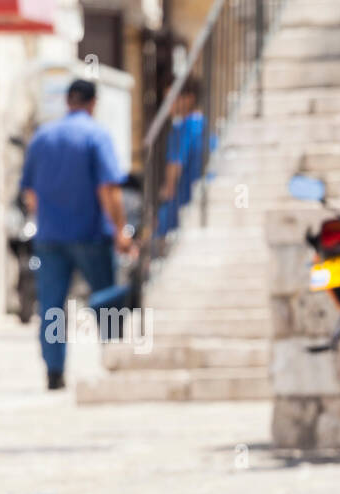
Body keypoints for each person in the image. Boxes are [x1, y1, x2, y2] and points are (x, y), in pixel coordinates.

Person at [20, 78, 133, 390]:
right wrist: (121, 231)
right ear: (93, 103)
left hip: (50, 237)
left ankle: (54, 371)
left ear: (68, 102)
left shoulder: (41, 137)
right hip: (90, 235)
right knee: (106, 299)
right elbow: (108, 189)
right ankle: (113, 357)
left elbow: (30, 194)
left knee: (52, 307)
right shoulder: (96, 134)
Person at [157, 77, 207, 241]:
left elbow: (175, 163)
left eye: (172, 99)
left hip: (182, 199)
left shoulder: (183, 128)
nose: (168, 105)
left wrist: (167, 190)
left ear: (189, 98)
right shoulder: (203, 124)